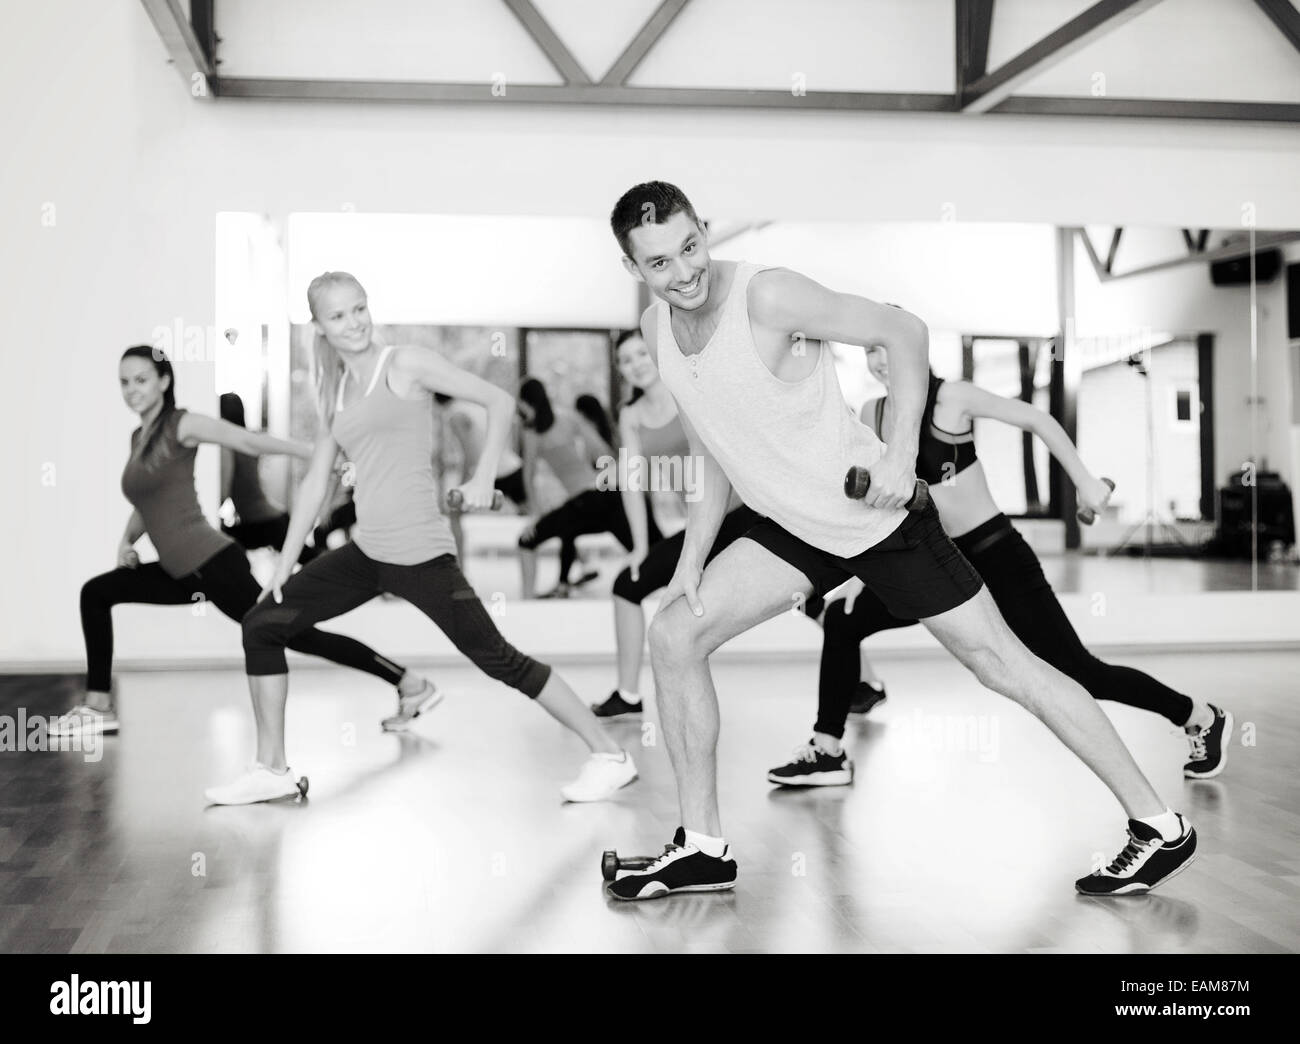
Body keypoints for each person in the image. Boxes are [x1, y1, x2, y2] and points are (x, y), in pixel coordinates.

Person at [603, 181, 1196, 900]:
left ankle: (1158, 823)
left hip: (876, 523)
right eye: (661, 263)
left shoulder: (768, 297)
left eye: (691, 246)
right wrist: (691, 559)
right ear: (636, 270)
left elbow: (903, 331)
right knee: (673, 636)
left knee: (1005, 664)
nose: (685, 271)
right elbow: (711, 448)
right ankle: (701, 848)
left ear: (705, 229)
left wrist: (896, 455)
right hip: (790, 528)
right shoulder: (658, 330)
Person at [204, 272, 637, 805]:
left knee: (499, 659)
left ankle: (609, 755)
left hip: (422, 554)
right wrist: (285, 567)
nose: (355, 321)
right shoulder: (335, 387)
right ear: (318, 325)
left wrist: (481, 477)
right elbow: (317, 479)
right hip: (367, 553)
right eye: (338, 315)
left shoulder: (403, 364)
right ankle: (272, 768)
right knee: (262, 624)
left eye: (359, 308)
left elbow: (497, 401)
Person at [768, 357, 1232, 786]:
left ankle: (1199, 716)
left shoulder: (952, 398)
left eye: (886, 344)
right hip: (930, 560)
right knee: (844, 622)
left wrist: (1085, 482)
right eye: (870, 348)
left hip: (995, 553)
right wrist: (860, 576)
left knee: (1079, 672)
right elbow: (884, 504)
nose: (879, 357)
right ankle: (827, 749)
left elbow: (1037, 418)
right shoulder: (872, 413)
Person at [53, 346, 436, 739]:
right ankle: (98, 707)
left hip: (213, 563)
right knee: (96, 594)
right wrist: (125, 541)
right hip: (179, 570)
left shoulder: (181, 425)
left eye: (141, 380)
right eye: (124, 382)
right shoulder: (140, 437)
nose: (131, 389)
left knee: (298, 634)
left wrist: (314, 452)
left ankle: (410, 683)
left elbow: (248, 442)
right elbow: (146, 503)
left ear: (164, 382)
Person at [593, 331, 829, 717]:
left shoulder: (690, 391)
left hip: (747, 513)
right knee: (627, 586)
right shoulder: (631, 416)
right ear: (620, 370)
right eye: (625, 360)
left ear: (656, 353)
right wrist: (638, 547)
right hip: (704, 527)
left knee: (806, 598)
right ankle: (628, 695)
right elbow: (633, 486)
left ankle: (862, 681)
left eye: (641, 353)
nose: (636, 363)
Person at [516, 377, 661, 598]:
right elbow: (603, 453)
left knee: (526, 540)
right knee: (648, 546)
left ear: (527, 403)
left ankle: (527, 600)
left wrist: (534, 515)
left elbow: (528, 476)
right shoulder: (568, 418)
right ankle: (563, 583)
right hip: (604, 494)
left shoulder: (531, 432)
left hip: (585, 499)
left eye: (521, 404)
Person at [218, 391, 321, 563]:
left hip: (264, 522)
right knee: (310, 558)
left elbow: (224, 493)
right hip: (273, 517)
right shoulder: (248, 441)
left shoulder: (228, 447)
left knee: (313, 560)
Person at [434, 392, 528, 560]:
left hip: (492, 474)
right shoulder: (472, 406)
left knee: (454, 514)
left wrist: (463, 484)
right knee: (537, 516)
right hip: (512, 468)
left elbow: (469, 455)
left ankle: (460, 569)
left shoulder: (456, 415)